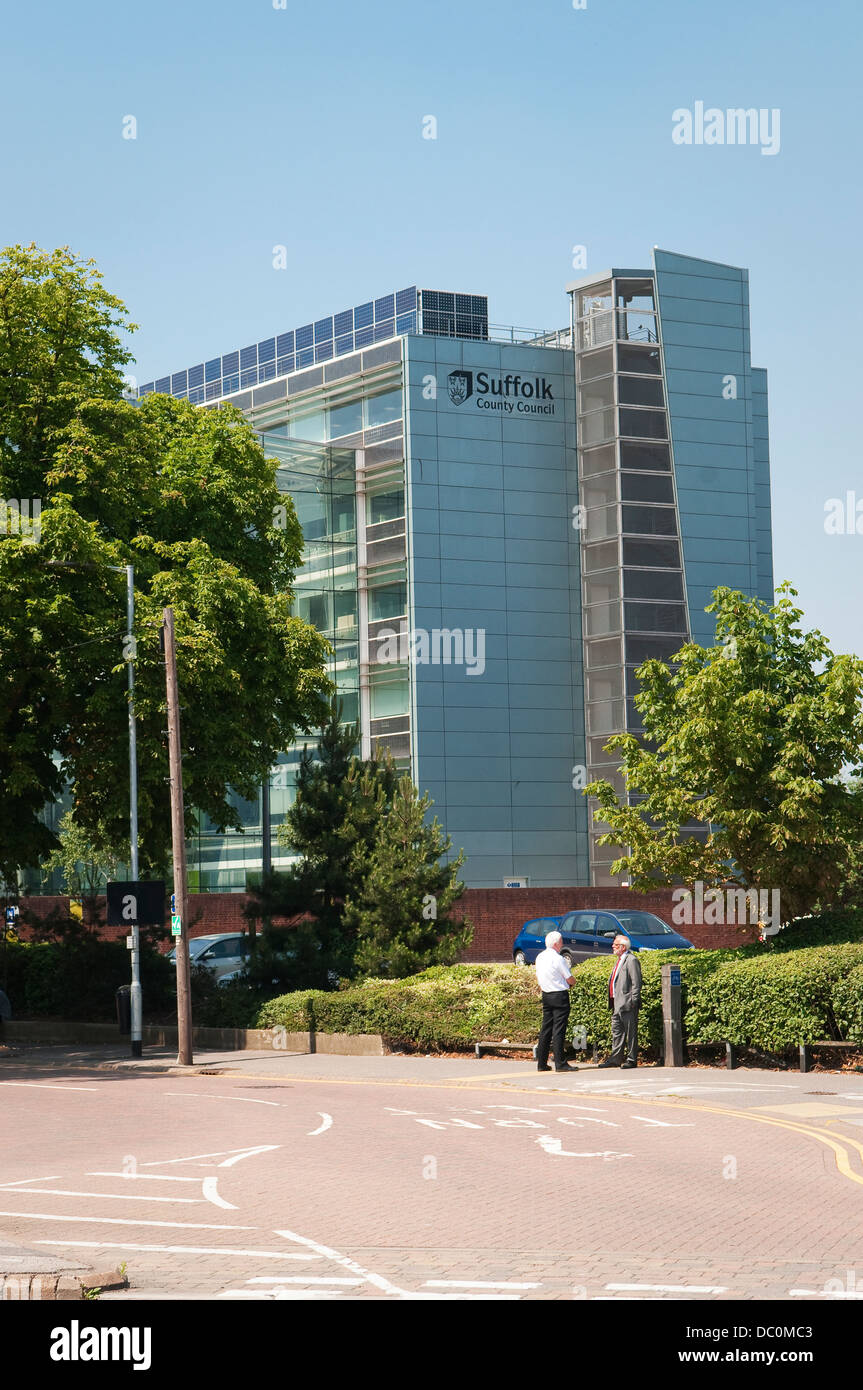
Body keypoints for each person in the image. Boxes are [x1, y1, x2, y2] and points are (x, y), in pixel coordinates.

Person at [535, 930, 577, 1073]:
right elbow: (569, 978)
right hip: (559, 995)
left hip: (546, 995)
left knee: (545, 1029)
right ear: (555, 944)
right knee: (558, 1030)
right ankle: (560, 1063)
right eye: (561, 942)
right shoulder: (558, 959)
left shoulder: (539, 957)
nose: (562, 944)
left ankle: (541, 1063)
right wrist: (573, 982)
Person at [598, 934, 642, 1069]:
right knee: (617, 1031)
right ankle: (615, 1059)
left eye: (615, 945)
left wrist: (634, 1001)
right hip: (616, 1003)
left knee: (631, 1032)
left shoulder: (631, 960)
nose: (613, 946)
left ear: (623, 947)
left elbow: (636, 983)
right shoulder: (619, 959)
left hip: (628, 1003)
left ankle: (631, 1059)